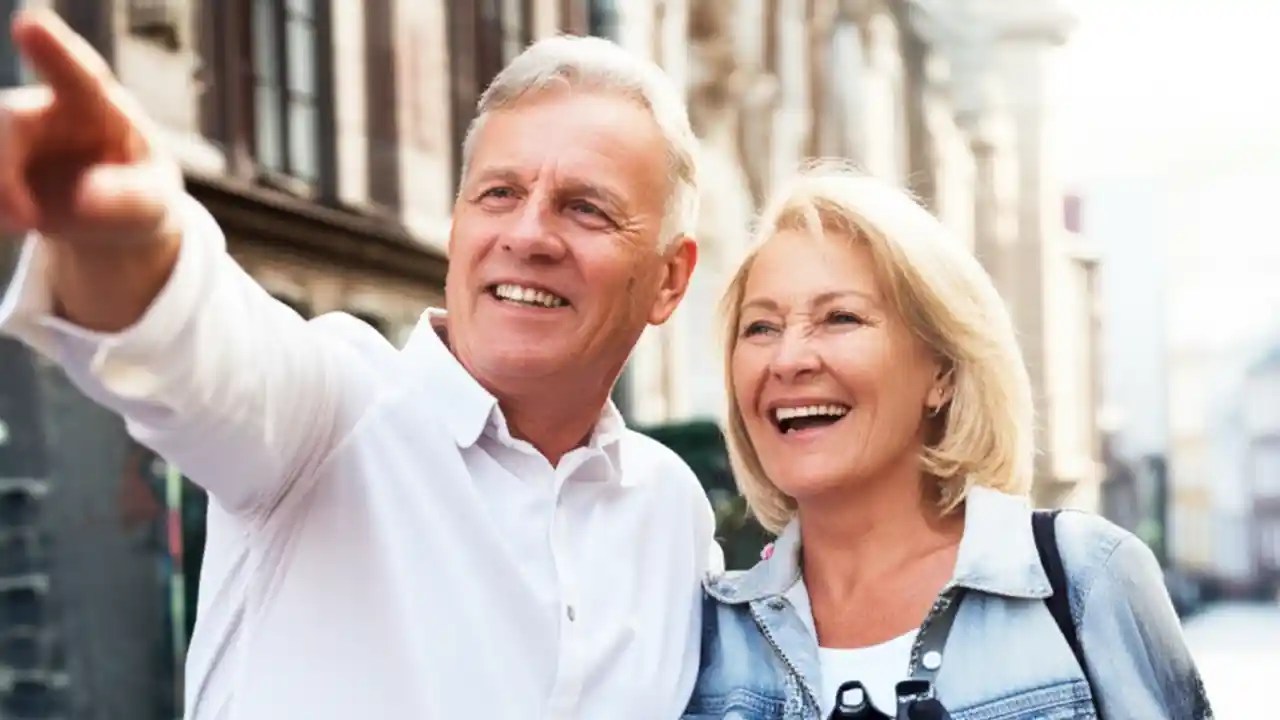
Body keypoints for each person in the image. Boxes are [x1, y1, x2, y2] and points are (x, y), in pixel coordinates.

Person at [0, 9, 721, 719]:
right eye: (499, 193)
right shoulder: (334, 412)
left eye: (586, 209)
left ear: (669, 280)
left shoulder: (672, 513)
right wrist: (124, 247)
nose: (528, 235)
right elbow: (203, 356)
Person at [684, 163, 1213, 719]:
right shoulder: (707, 637)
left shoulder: (1085, 579)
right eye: (761, 328)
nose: (788, 359)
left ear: (942, 371)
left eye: (840, 318)